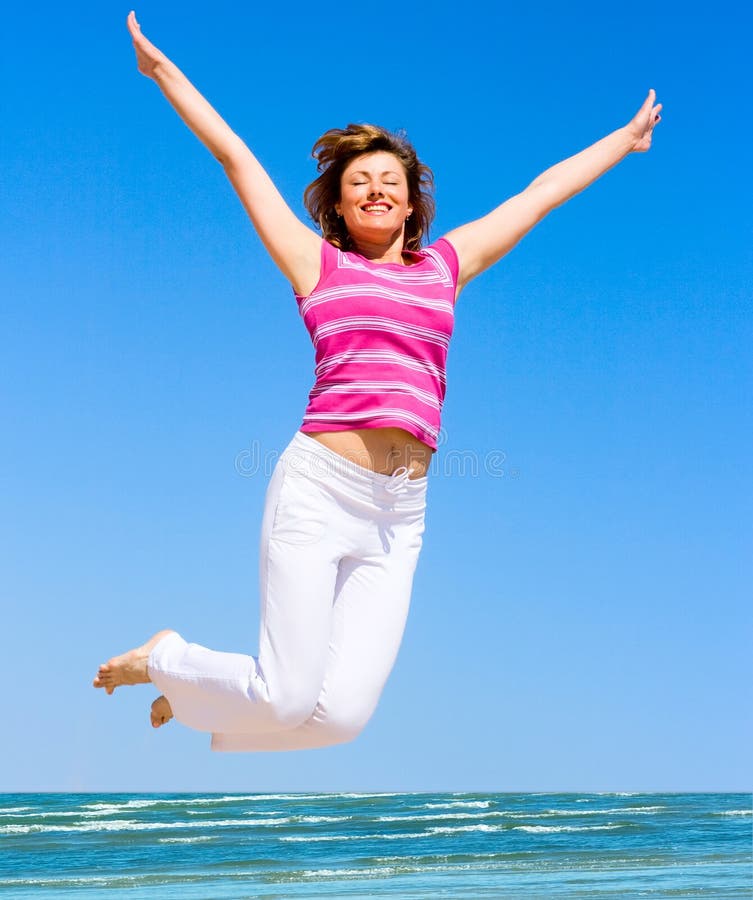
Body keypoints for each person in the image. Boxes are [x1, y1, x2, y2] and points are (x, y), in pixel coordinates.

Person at [93, 11, 662, 751]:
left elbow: (539, 194)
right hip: (319, 489)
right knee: (288, 692)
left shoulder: (445, 268)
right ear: (336, 203)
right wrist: (164, 73)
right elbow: (236, 158)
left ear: (411, 200)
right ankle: (165, 658)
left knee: (339, 720)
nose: (375, 191)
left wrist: (624, 139)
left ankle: (202, 700)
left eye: (389, 181)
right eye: (358, 182)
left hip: (400, 514)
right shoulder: (315, 264)